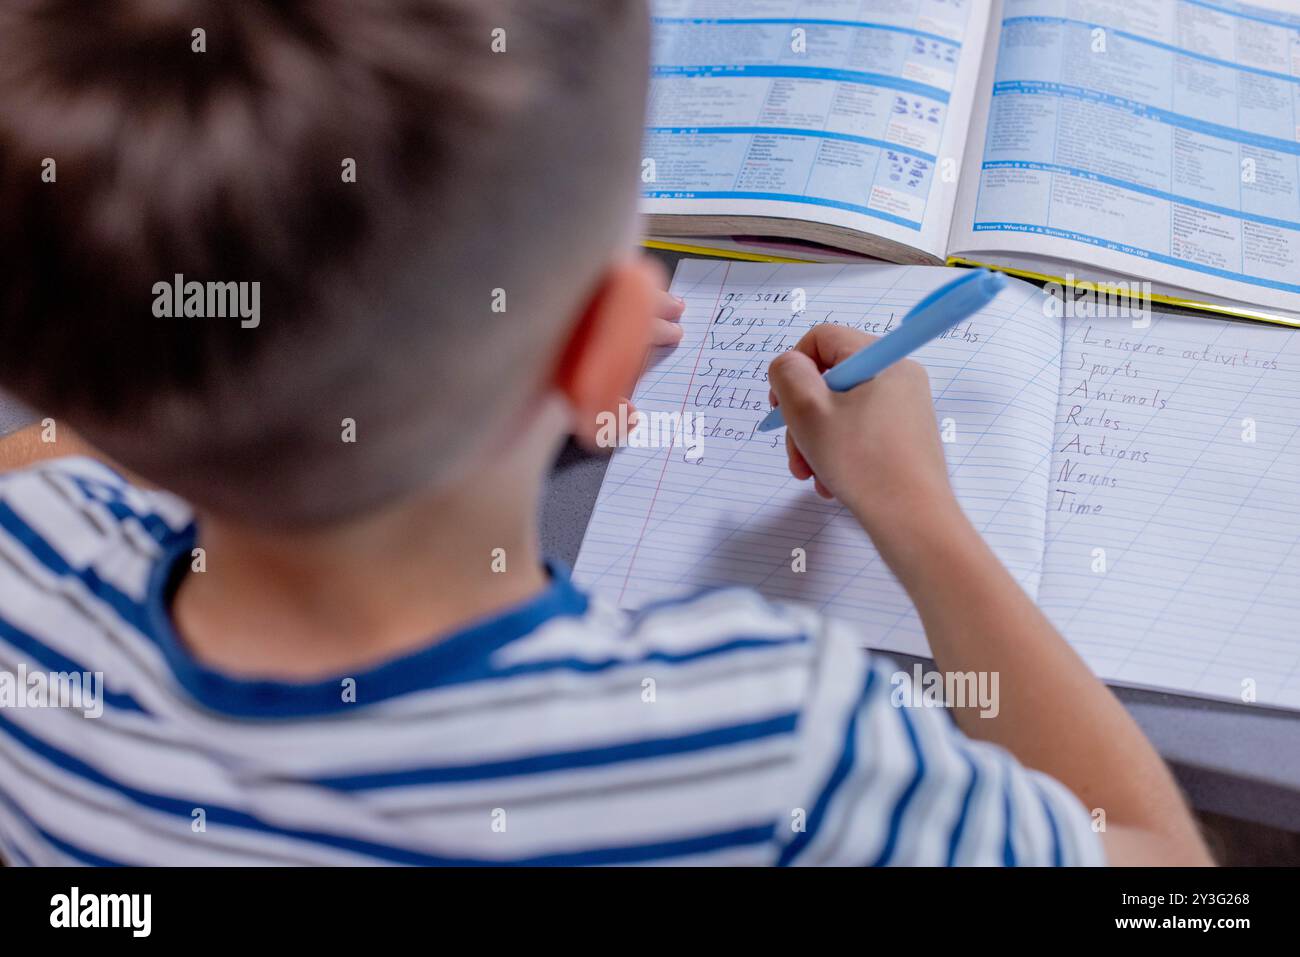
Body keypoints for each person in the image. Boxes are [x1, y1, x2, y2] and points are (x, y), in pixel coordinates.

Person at [0, 0, 1208, 865]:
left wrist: (456, 387)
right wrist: (919, 514)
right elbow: (1158, 866)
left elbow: (95, 419)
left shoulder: (27, 559)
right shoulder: (771, 751)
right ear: (602, 350)